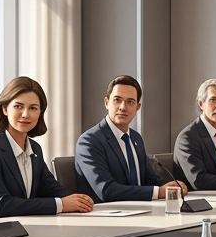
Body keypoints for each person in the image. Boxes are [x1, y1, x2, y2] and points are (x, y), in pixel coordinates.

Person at [0, 77, 93, 218]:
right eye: (18, 106)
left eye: (33, 108)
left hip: (30, 226)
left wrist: (78, 201)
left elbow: (49, 186)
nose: (25, 114)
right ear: (5, 109)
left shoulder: (35, 148)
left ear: (40, 112)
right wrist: (61, 204)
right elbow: (2, 205)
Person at [74, 75, 188, 203]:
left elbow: (150, 180)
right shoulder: (89, 141)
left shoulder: (135, 138)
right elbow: (106, 190)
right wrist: (158, 192)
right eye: (117, 100)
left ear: (138, 107)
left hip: (141, 210)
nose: (123, 107)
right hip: (107, 215)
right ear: (106, 103)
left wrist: (171, 187)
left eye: (130, 102)